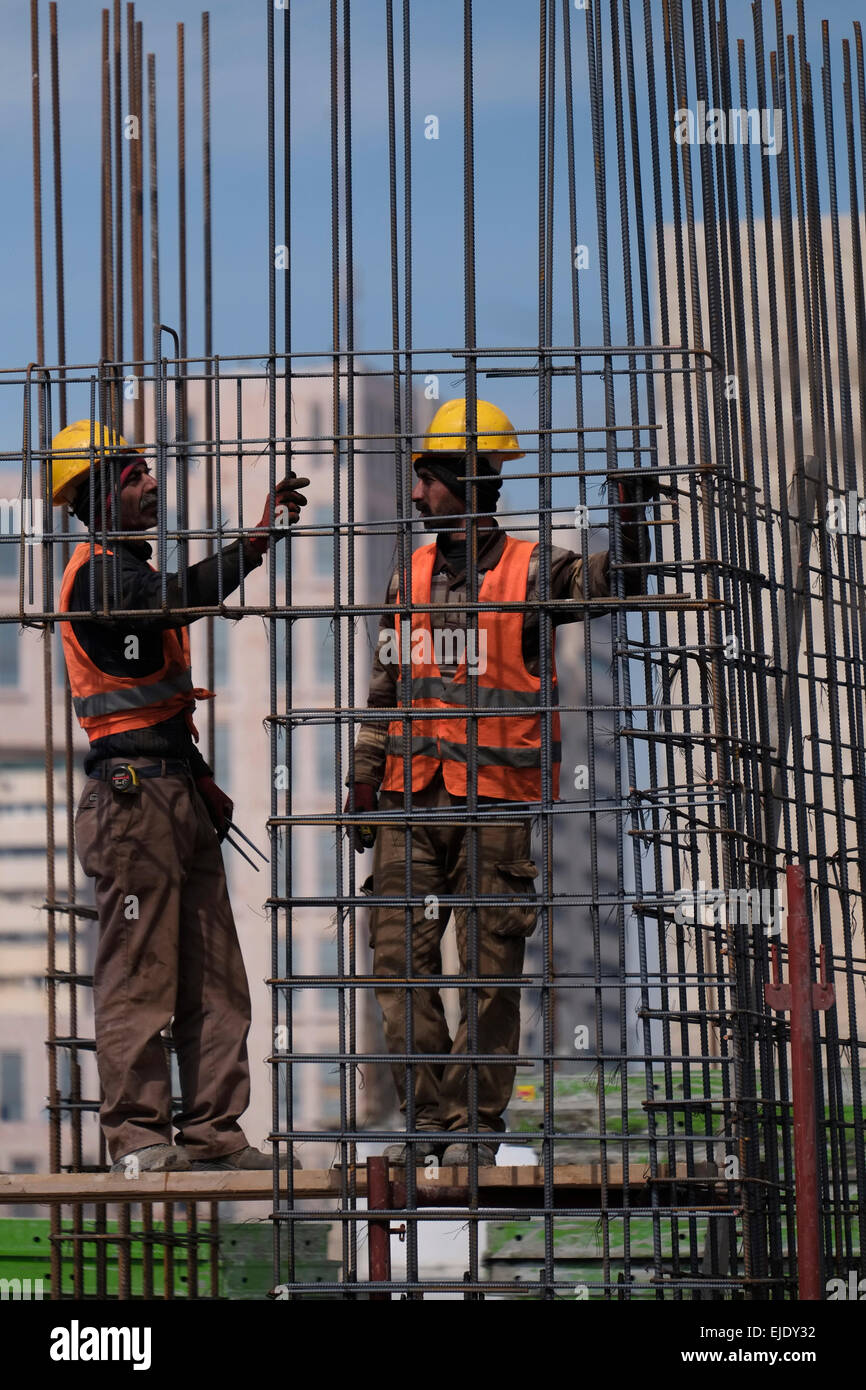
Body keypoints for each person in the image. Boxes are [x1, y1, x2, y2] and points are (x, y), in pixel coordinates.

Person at [344, 398, 646, 1167]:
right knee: (396, 962)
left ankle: (474, 1126)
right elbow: (386, 685)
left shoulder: (532, 572)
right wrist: (363, 777)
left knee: (487, 973)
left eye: (428, 480)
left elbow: (619, 584)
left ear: (469, 481)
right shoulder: (406, 575)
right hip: (411, 799)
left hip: (495, 807)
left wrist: (629, 517)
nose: (417, 495)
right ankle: (428, 1120)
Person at [51, 419, 309, 1175]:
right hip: (132, 806)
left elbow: (154, 705)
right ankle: (137, 1137)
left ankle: (213, 1133)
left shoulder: (125, 570)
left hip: (171, 796)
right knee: (140, 975)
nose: (151, 483)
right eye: (134, 475)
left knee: (215, 975)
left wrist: (197, 776)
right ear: (99, 494)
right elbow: (170, 600)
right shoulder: (102, 576)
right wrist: (252, 546)